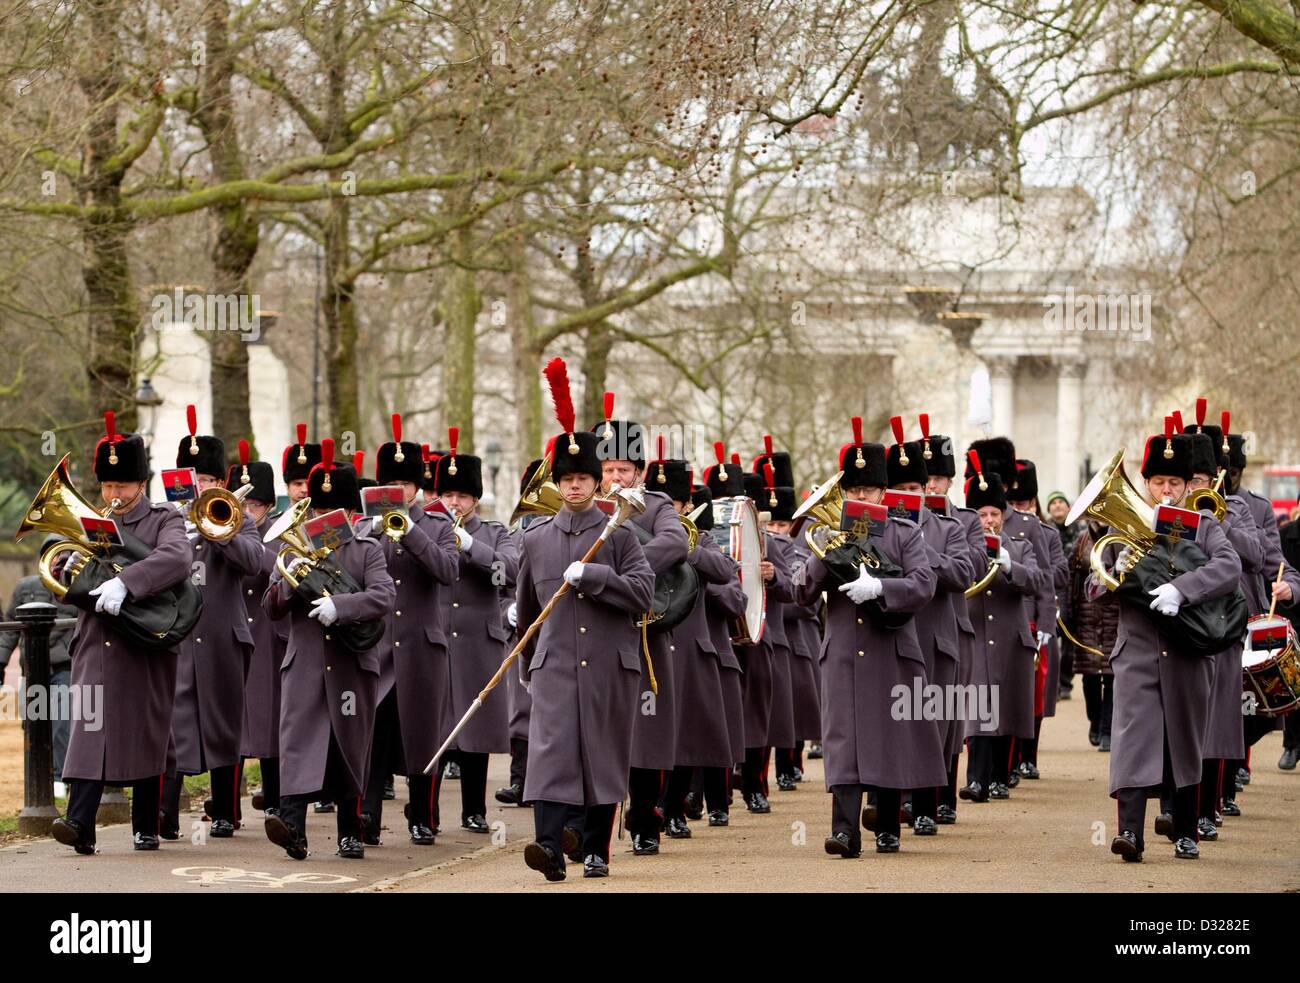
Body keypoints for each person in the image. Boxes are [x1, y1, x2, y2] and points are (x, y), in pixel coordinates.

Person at [517, 358, 654, 880]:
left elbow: (643, 595)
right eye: (567, 480)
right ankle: (548, 846)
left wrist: (597, 578)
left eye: (583, 480)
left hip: (607, 663)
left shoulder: (619, 536)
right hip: (553, 666)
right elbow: (528, 613)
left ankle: (595, 847)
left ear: (597, 485)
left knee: (600, 753)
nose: (574, 488)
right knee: (551, 754)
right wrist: (528, 664)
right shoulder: (535, 538)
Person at [1093, 427, 1241, 863]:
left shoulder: (1205, 526)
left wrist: (1183, 589)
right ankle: (1129, 834)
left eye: (1174, 483)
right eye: (1158, 482)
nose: (1166, 490)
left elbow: (1229, 566)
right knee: (1134, 740)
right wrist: (1113, 569)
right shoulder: (1125, 526)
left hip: (1188, 653)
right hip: (1137, 650)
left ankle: (1185, 831)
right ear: (1146, 483)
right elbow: (1091, 589)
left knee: (1185, 741)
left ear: (1186, 485)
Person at [794, 427, 941, 856]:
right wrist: (825, 560)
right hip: (842, 652)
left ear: (883, 493)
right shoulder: (829, 534)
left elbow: (924, 584)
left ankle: (889, 825)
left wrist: (880, 588)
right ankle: (844, 831)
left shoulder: (903, 533)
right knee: (843, 739)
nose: (862, 496)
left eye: (870, 489)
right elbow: (801, 591)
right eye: (854, 489)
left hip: (890, 651)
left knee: (890, 736)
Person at [53, 412, 193, 854]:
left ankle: (146, 825)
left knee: (146, 731)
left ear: (140, 483)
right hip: (96, 641)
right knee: (89, 730)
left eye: (123, 487)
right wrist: (62, 570)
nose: (114, 495)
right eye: (108, 487)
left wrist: (126, 582)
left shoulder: (164, 518)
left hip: (146, 642)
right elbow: (62, 571)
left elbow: (177, 559)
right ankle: (79, 825)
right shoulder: (89, 518)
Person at [263, 440, 395, 860]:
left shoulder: (366, 549)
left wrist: (341, 605)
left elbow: (383, 597)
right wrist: (288, 583)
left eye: (330, 512)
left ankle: (350, 831)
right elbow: (270, 606)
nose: (321, 519)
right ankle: (291, 826)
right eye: (315, 511)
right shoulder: (292, 549)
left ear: (348, 513)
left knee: (348, 746)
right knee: (298, 741)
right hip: (304, 662)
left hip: (351, 662)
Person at [161, 407, 265, 840]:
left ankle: (225, 809)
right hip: (178, 634)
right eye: (192, 479)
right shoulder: (165, 519)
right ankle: (164, 813)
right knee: (173, 723)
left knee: (225, 721)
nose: (198, 487)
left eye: (206, 480)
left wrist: (219, 535)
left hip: (223, 633)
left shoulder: (236, 517)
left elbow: (258, 564)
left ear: (220, 483)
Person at [592, 398, 689, 856]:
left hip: (645, 631)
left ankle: (647, 819)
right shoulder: (578, 509)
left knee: (647, 732)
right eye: (607, 469)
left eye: (623, 470)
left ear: (639, 473)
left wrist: (623, 568)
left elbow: (674, 543)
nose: (614, 479)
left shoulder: (655, 506)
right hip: (592, 633)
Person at [359, 415, 458, 845]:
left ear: (418, 486)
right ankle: (366, 815)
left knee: (423, 735)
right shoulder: (365, 527)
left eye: (406, 483)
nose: (399, 490)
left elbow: (447, 571)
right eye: (391, 482)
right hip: (376, 645)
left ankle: (423, 816)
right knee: (372, 734)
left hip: (421, 644)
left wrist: (411, 530)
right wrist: (379, 531)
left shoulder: (437, 524)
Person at [885, 417, 973, 834]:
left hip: (936, 636)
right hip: (892, 635)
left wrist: (920, 555)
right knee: (891, 723)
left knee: (932, 723)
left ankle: (925, 806)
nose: (910, 496)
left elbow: (962, 574)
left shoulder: (949, 526)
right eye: (900, 490)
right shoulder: (876, 526)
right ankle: (889, 804)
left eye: (915, 490)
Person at [434, 427, 519, 834]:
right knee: (433, 728)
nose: (454, 502)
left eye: (462, 496)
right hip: (437, 638)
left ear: (475, 499)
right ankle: (425, 816)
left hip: (477, 641)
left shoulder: (495, 532)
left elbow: (510, 571)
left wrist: (470, 545)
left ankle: (474, 810)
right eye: (448, 495)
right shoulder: (426, 528)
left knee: (475, 732)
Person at [656, 455, 740, 839]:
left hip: (690, 644)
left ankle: (672, 808)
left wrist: (685, 549)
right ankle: (648, 808)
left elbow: (725, 572)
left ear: (686, 506)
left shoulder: (700, 537)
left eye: (671, 502)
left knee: (685, 733)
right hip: (653, 638)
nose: (665, 508)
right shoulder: (637, 531)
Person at [959, 459, 1040, 802]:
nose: (988, 520)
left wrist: (1010, 565)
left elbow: (1036, 581)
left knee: (1006, 711)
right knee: (979, 709)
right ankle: (976, 780)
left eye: (994, 513)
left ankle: (1000, 776)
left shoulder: (1020, 546)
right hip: (976, 636)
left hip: (1009, 638)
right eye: (982, 515)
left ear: (1003, 515)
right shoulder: (964, 546)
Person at [231, 443, 287, 819]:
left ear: (267, 506)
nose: (247, 513)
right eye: (243, 506)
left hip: (268, 632)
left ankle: (277, 798)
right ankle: (225, 806)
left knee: (269, 721)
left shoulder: (281, 531)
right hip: (235, 631)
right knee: (232, 717)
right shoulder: (222, 528)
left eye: (254, 506)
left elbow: (280, 566)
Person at [0, 537, 78, 796]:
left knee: (62, 723)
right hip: (32, 669)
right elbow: (11, 628)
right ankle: (38, 782)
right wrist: (1, 661)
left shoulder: (76, 589)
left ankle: (59, 778)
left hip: (64, 667)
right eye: (53, 554)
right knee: (33, 724)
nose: (58, 560)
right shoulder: (25, 587)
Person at [495, 458, 544, 807]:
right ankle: (520, 779)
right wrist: (507, 610)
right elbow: (500, 589)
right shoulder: (515, 537)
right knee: (521, 711)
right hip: (523, 629)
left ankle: (543, 783)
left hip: (556, 626)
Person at [1066, 522, 1117, 751]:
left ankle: (1107, 729)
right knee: (1090, 678)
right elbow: (1071, 576)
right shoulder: (1082, 540)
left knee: (1112, 676)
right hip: (1087, 616)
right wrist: (1067, 613)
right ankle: (1095, 720)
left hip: (1114, 614)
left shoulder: (1121, 535)